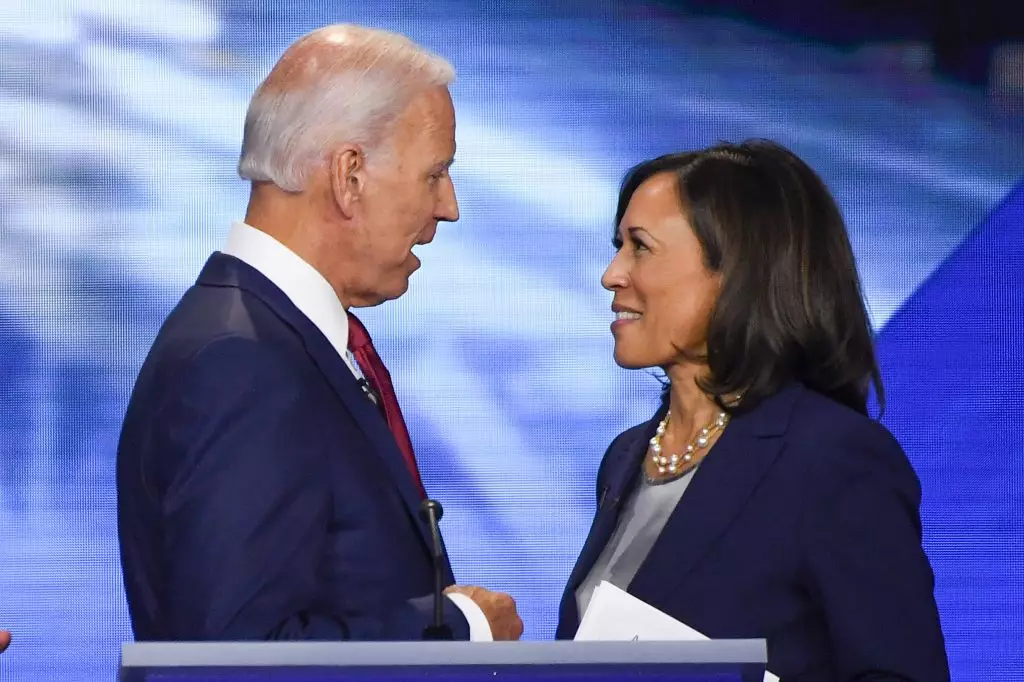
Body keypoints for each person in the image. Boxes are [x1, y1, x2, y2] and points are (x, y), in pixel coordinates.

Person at [117, 24, 522, 642]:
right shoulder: (242, 362)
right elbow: (237, 656)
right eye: (434, 174)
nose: (449, 206)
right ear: (349, 175)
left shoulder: (272, 338)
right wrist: (460, 627)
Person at [556, 140, 950, 680]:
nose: (612, 274)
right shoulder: (627, 456)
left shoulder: (831, 460)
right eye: (617, 245)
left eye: (639, 247)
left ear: (736, 271)